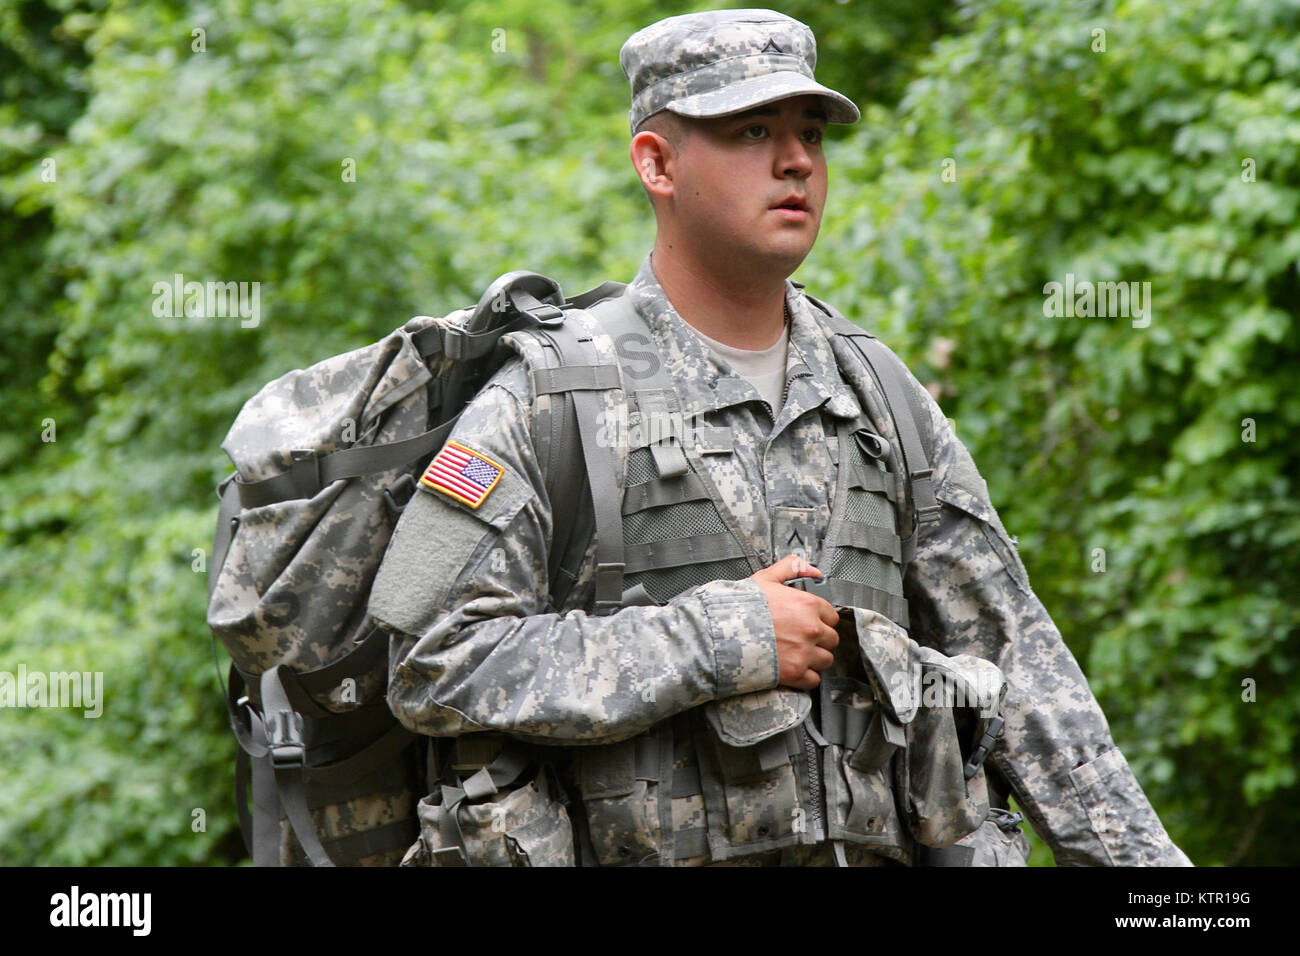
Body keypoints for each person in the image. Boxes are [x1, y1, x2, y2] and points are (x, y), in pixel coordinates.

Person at [367, 8, 1191, 867]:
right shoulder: (551, 397)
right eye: (751, 130)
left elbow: (1025, 674)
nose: (795, 160)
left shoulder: (879, 395)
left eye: (809, 134)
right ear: (657, 163)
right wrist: (718, 642)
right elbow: (432, 659)